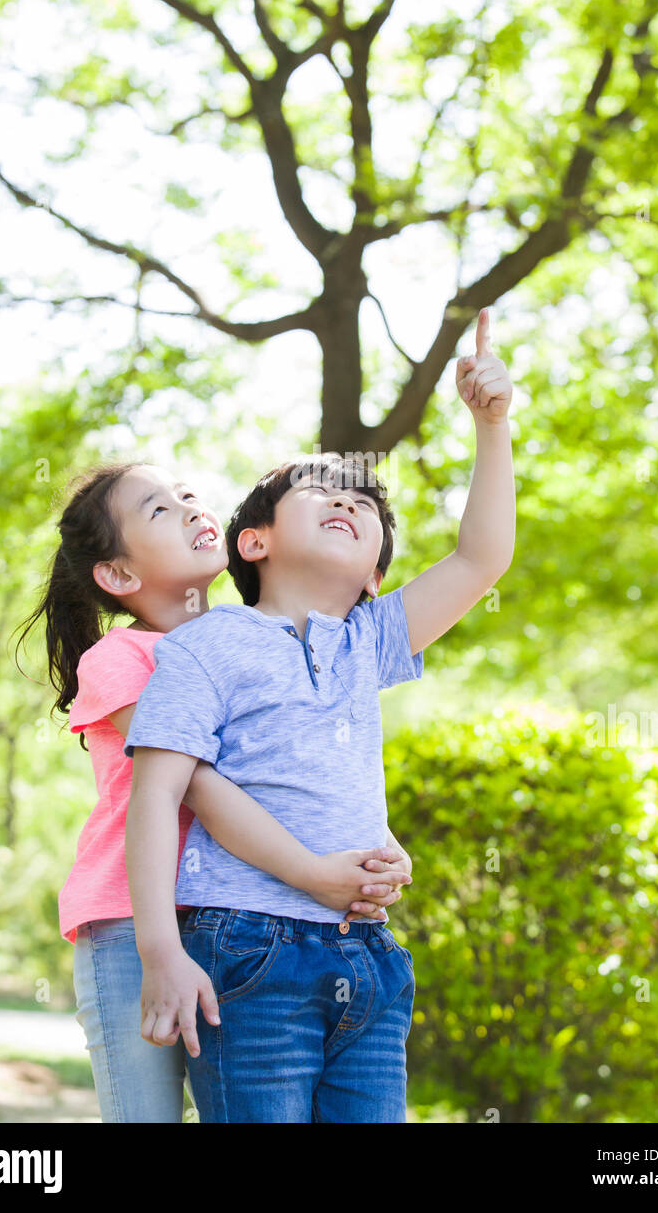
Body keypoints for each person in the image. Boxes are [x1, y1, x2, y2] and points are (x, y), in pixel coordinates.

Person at [124, 306, 515, 1122]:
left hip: (366, 949)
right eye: (318, 491)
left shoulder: (371, 640)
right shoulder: (206, 645)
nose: (346, 502)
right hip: (246, 948)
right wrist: (161, 950)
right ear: (253, 543)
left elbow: (483, 557)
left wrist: (491, 427)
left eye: (365, 507)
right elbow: (158, 796)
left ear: (375, 573)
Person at [16, 462, 414, 1122]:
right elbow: (200, 785)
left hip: (228, 916)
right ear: (119, 576)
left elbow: (294, 776)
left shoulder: (241, 641)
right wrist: (314, 873)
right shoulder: (123, 659)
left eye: (191, 496)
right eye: (160, 510)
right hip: (130, 921)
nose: (191, 509)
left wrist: (378, 843)